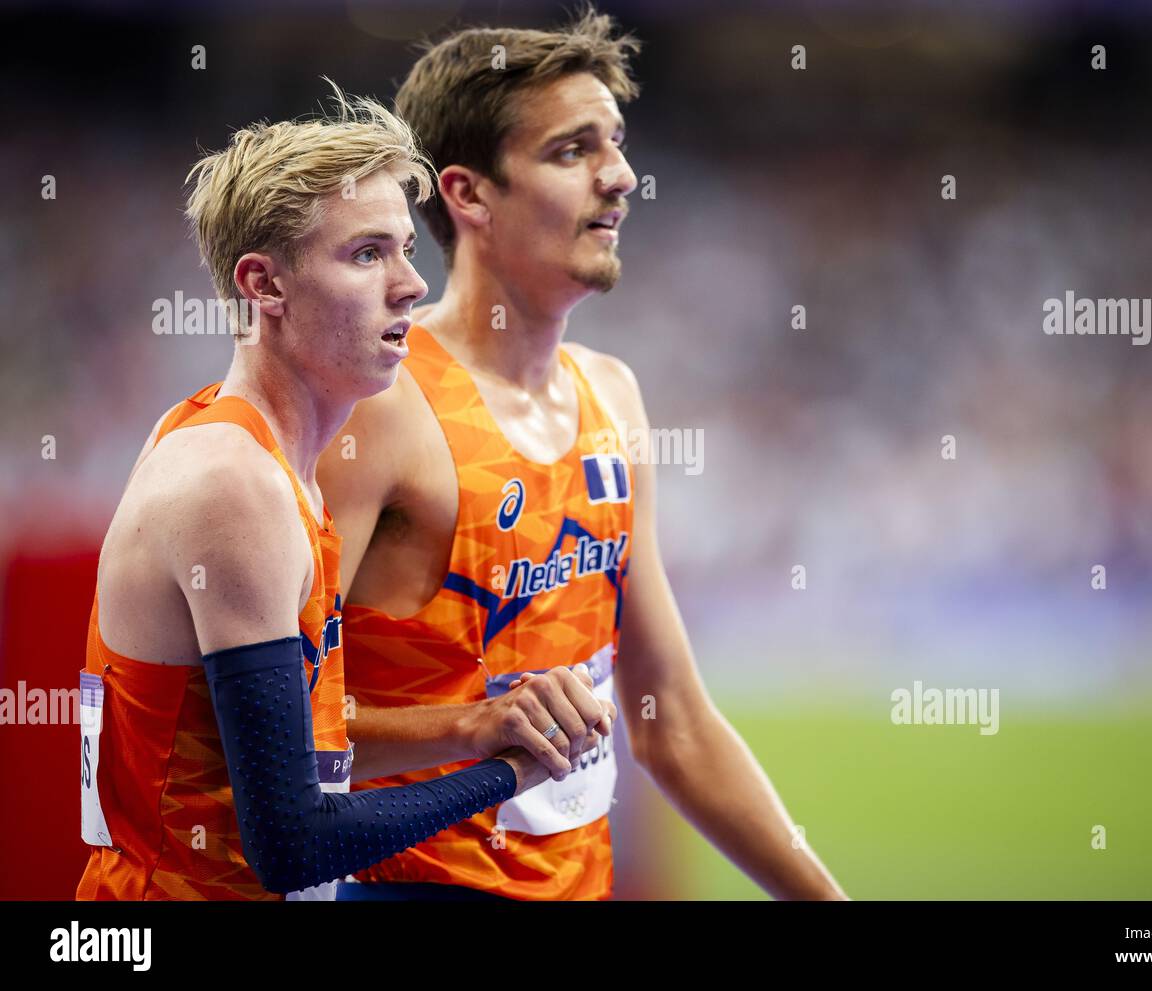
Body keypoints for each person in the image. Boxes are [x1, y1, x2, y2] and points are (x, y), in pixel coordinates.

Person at [318, 9, 847, 900]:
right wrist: (470, 725)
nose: (623, 176)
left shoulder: (612, 395)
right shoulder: (380, 412)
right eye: (573, 151)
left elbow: (670, 718)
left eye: (618, 144)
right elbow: (262, 729)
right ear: (470, 194)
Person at [76, 86, 593, 901]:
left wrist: (478, 721)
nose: (411, 286)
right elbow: (293, 839)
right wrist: (506, 772)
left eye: (406, 251)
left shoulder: (264, 457)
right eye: (366, 254)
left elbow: (299, 755)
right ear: (265, 286)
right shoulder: (232, 484)